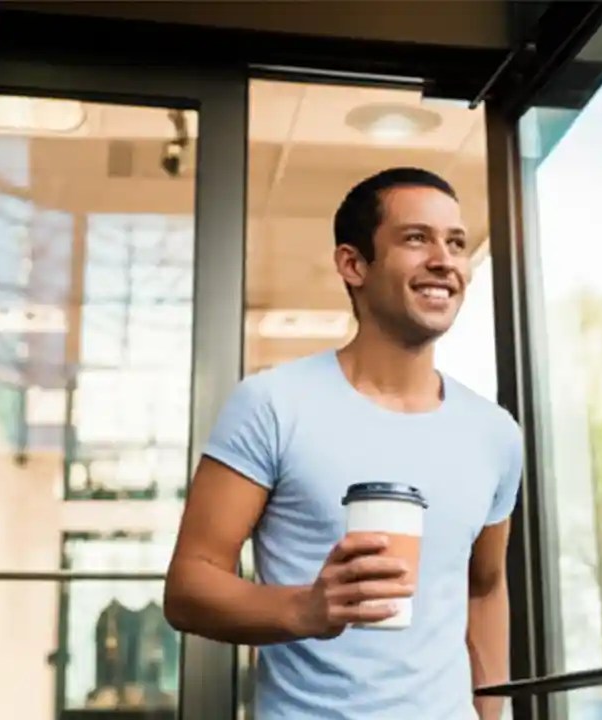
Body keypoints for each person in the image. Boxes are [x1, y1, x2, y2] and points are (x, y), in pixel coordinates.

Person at [164, 167, 524, 719]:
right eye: (415, 238)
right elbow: (189, 586)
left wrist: (489, 714)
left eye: (455, 242)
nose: (444, 260)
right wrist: (305, 609)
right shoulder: (272, 404)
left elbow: (484, 588)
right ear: (353, 264)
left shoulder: (495, 434)